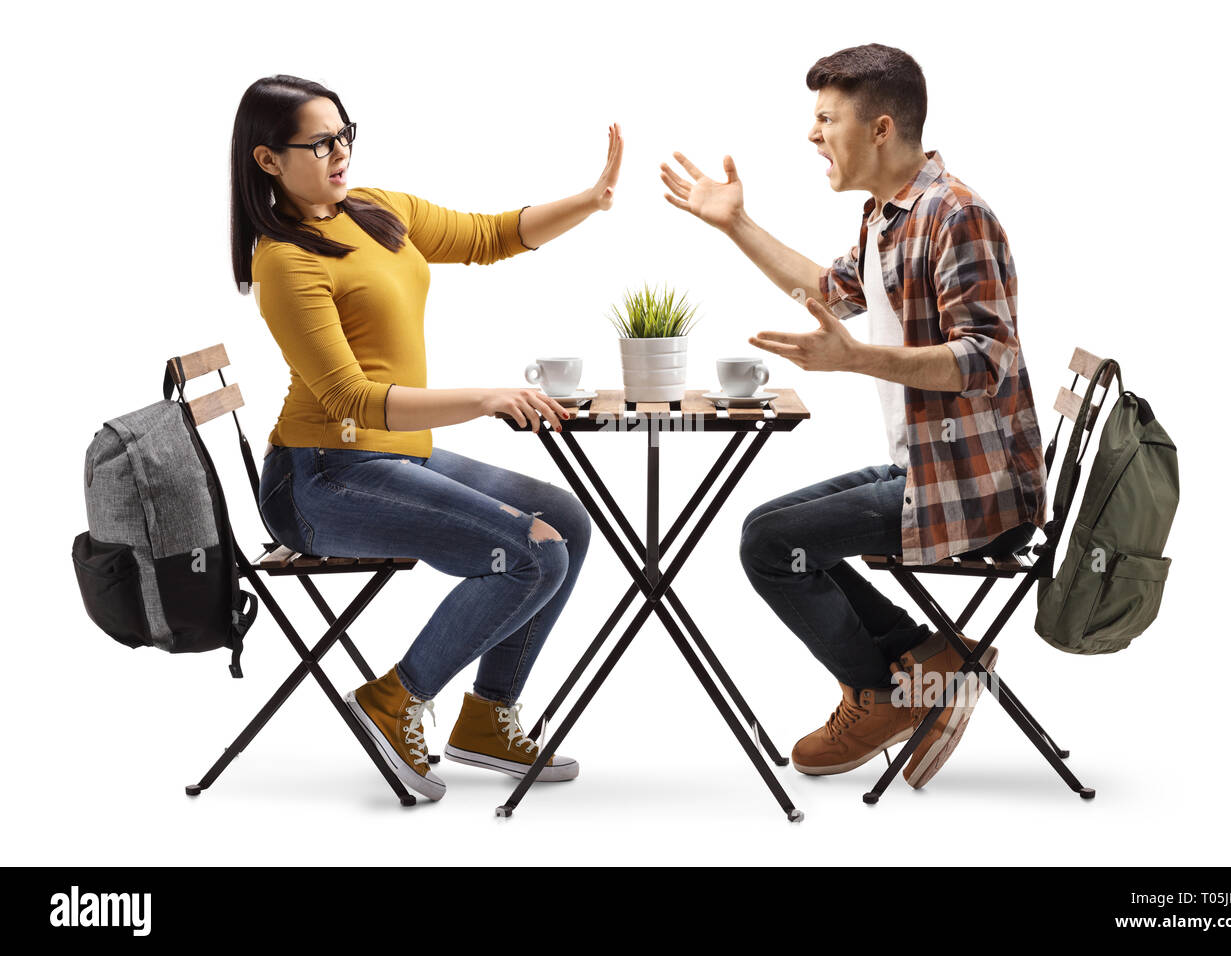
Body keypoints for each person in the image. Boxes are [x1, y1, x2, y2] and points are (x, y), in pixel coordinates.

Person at [660, 44, 1046, 788]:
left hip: (978, 491)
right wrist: (735, 225)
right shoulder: (889, 216)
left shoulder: (956, 215)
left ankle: (881, 693)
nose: (812, 134)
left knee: (773, 547)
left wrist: (855, 360)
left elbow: (984, 360)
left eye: (826, 118)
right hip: (930, 471)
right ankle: (926, 660)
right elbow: (832, 291)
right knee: (765, 532)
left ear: (880, 128)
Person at [231, 75, 622, 801]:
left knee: (564, 519)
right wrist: (482, 397)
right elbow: (351, 400)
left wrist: (590, 201)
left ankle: (486, 717)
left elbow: (489, 236)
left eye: (345, 133)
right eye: (319, 143)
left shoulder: (378, 211)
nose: (340, 152)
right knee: (535, 553)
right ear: (268, 161)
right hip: (322, 480)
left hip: (391, 456)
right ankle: (394, 699)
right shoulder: (284, 260)